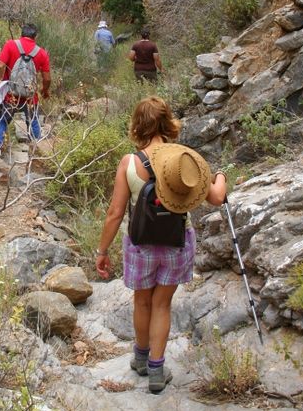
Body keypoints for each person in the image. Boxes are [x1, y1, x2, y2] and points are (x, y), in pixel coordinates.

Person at [95, 96, 226, 393]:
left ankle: (140, 360)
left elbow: (115, 213)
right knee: (162, 304)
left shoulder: (129, 163)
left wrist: (102, 251)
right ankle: (157, 370)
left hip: (140, 245)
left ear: (138, 125)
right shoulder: (183, 158)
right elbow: (217, 197)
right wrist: (221, 176)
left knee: (142, 301)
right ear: (168, 123)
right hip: (176, 242)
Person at [0, 23, 51, 159]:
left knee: (2, 120)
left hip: (10, 96)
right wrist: (45, 91)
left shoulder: (10, 45)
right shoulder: (42, 53)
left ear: (21, 34)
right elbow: (47, 78)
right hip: (29, 98)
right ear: (35, 36)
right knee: (33, 121)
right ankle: (38, 153)